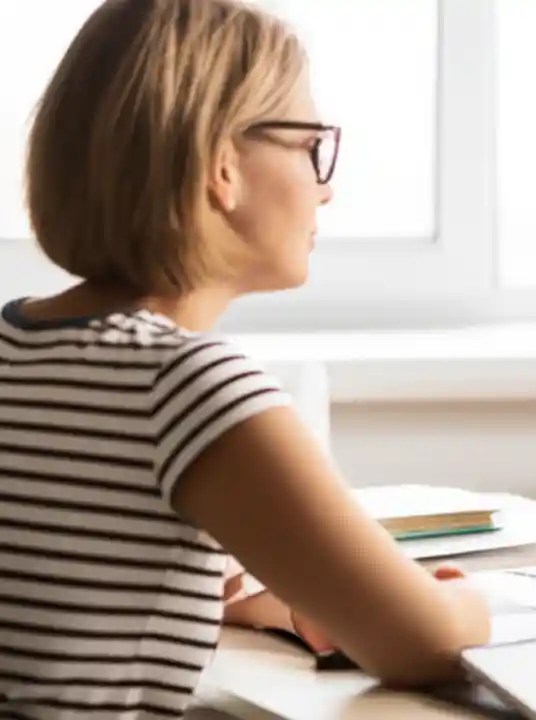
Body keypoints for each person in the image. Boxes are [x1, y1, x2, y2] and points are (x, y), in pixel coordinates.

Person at [0, 0, 492, 717]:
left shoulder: (21, 348)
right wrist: (473, 603)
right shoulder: (187, 387)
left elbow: (89, 576)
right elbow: (420, 643)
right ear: (222, 166)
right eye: (310, 145)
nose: (328, 186)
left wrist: (281, 604)